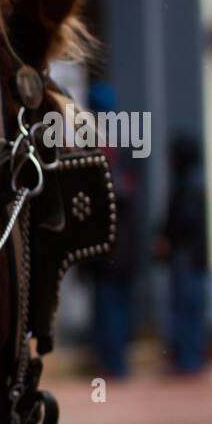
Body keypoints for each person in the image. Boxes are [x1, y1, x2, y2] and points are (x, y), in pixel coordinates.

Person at [87, 82, 139, 376]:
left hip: (112, 245)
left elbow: (118, 194)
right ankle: (114, 360)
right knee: (114, 303)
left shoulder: (100, 143)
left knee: (111, 305)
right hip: (119, 244)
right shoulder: (121, 141)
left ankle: (114, 361)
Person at [154, 135, 208, 375]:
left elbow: (185, 221)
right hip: (191, 256)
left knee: (186, 309)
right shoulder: (190, 183)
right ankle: (189, 359)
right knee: (189, 308)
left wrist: (167, 237)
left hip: (186, 256)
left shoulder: (187, 186)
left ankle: (188, 361)